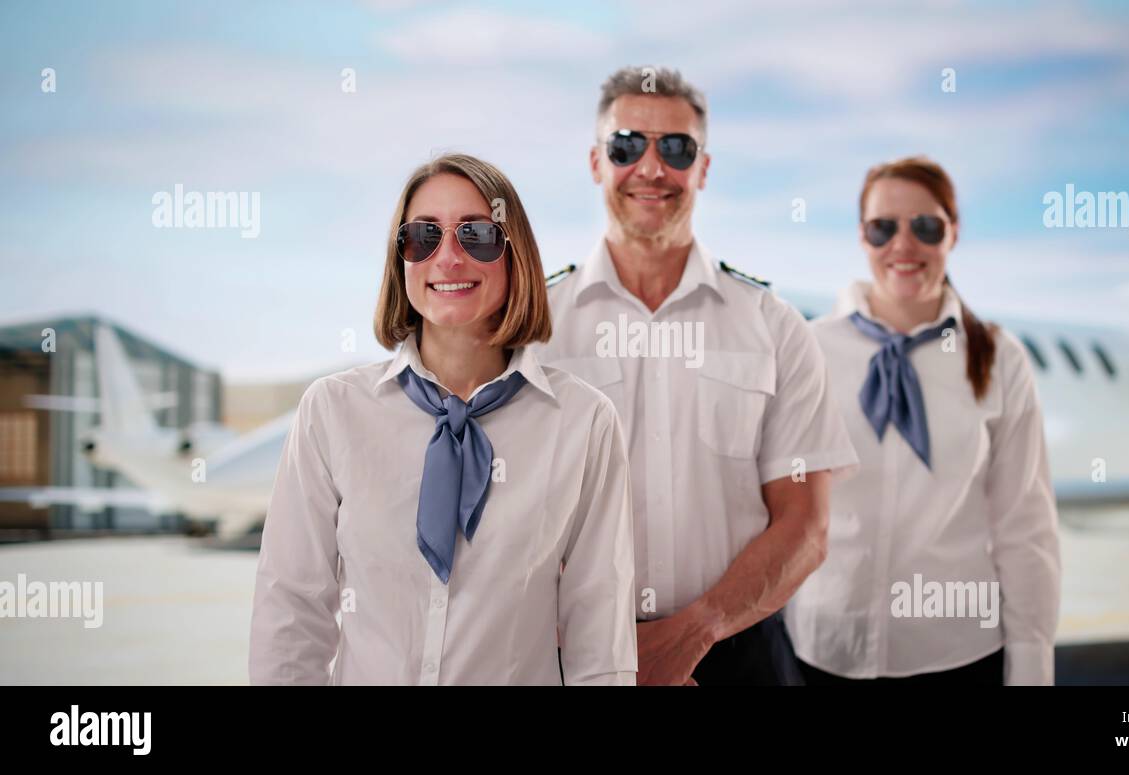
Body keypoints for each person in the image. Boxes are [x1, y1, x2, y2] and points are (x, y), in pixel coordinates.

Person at [249, 153, 637, 685]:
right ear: (400, 258)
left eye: (476, 235)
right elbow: (290, 616)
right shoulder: (332, 412)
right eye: (423, 237)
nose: (448, 258)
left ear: (514, 254)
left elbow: (600, 633)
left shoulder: (584, 422)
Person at [536, 66, 858, 685]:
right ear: (596, 162)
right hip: (565, 658)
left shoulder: (773, 324)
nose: (651, 168)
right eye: (627, 145)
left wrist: (693, 632)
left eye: (676, 148)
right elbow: (497, 514)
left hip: (739, 654)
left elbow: (805, 525)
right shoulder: (532, 329)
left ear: (703, 169)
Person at [785, 156, 1061, 685]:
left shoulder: (1000, 358)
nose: (903, 245)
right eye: (883, 227)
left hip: (957, 655)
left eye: (926, 227)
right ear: (863, 238)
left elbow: (1025, 528)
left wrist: (1031, 668)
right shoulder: (811, 350)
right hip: (821, 652)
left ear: (952, 233)